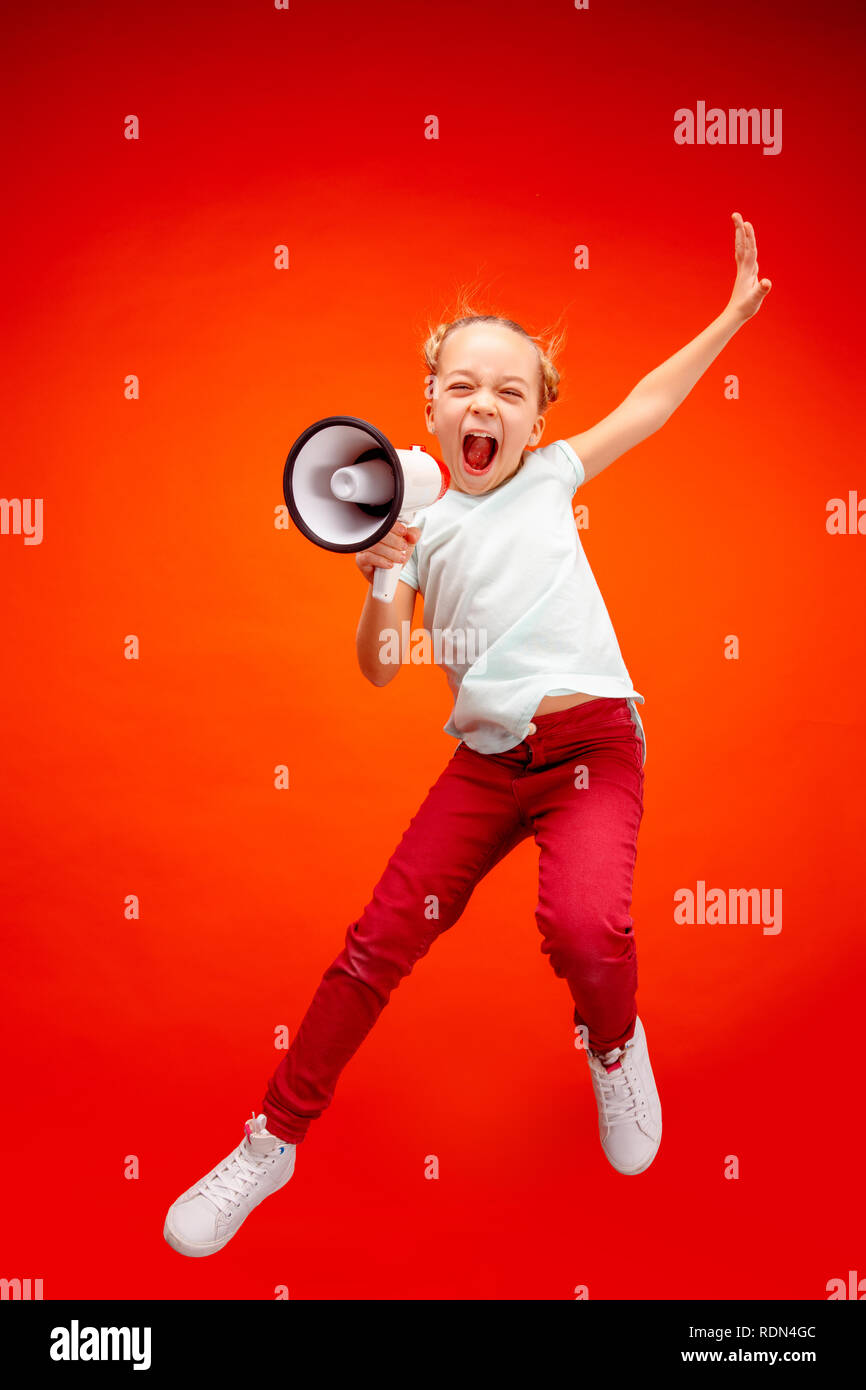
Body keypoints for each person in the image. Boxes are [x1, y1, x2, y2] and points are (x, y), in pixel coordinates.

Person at [164, 213, 771, 1257]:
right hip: (487, 765)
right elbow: (379, 665)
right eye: (460, 385)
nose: (481, 403)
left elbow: (647, 405)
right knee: (372, 950)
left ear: (536, 419)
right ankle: (271, 1138)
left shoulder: (549, 476)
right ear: (429, 408)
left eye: (509, 390)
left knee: (584, 930)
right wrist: (379, 575)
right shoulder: (411, 520)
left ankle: (613, 1046)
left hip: (589, 749)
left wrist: (727, 317)